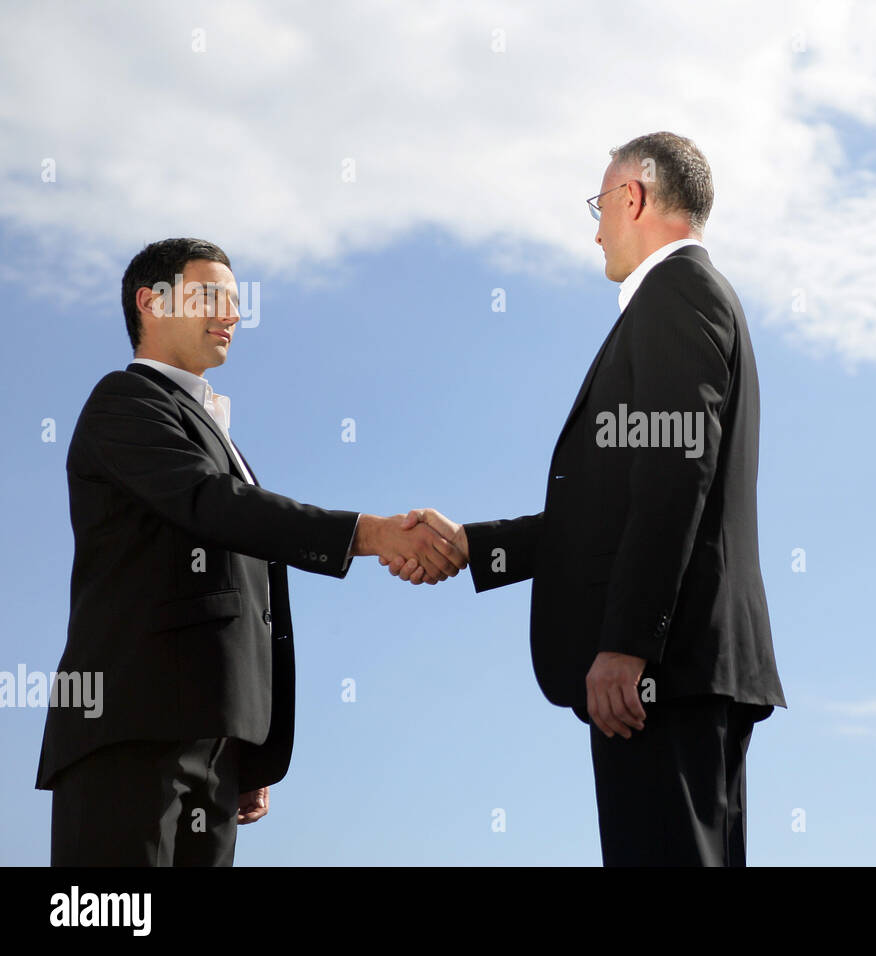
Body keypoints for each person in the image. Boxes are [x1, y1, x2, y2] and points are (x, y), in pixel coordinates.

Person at [389, 132, 786, 866]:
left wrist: (629, 642)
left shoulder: (676, 295)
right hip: (687, 667)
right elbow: (614, 508)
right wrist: (474, 544)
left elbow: (674, 479)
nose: (595, 227)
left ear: (632, 196)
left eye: (599, 205)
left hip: (662, 670)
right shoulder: (687, 299)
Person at [36, 237, 466, 866]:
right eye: (212, 296)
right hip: (129, 733)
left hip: (215, 751)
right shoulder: (123, 402)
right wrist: (368, 534)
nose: (233, 315)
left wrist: (239, 739)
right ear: (150, 303)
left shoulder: (214, 430)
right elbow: (212, 504)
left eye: (238, 302)